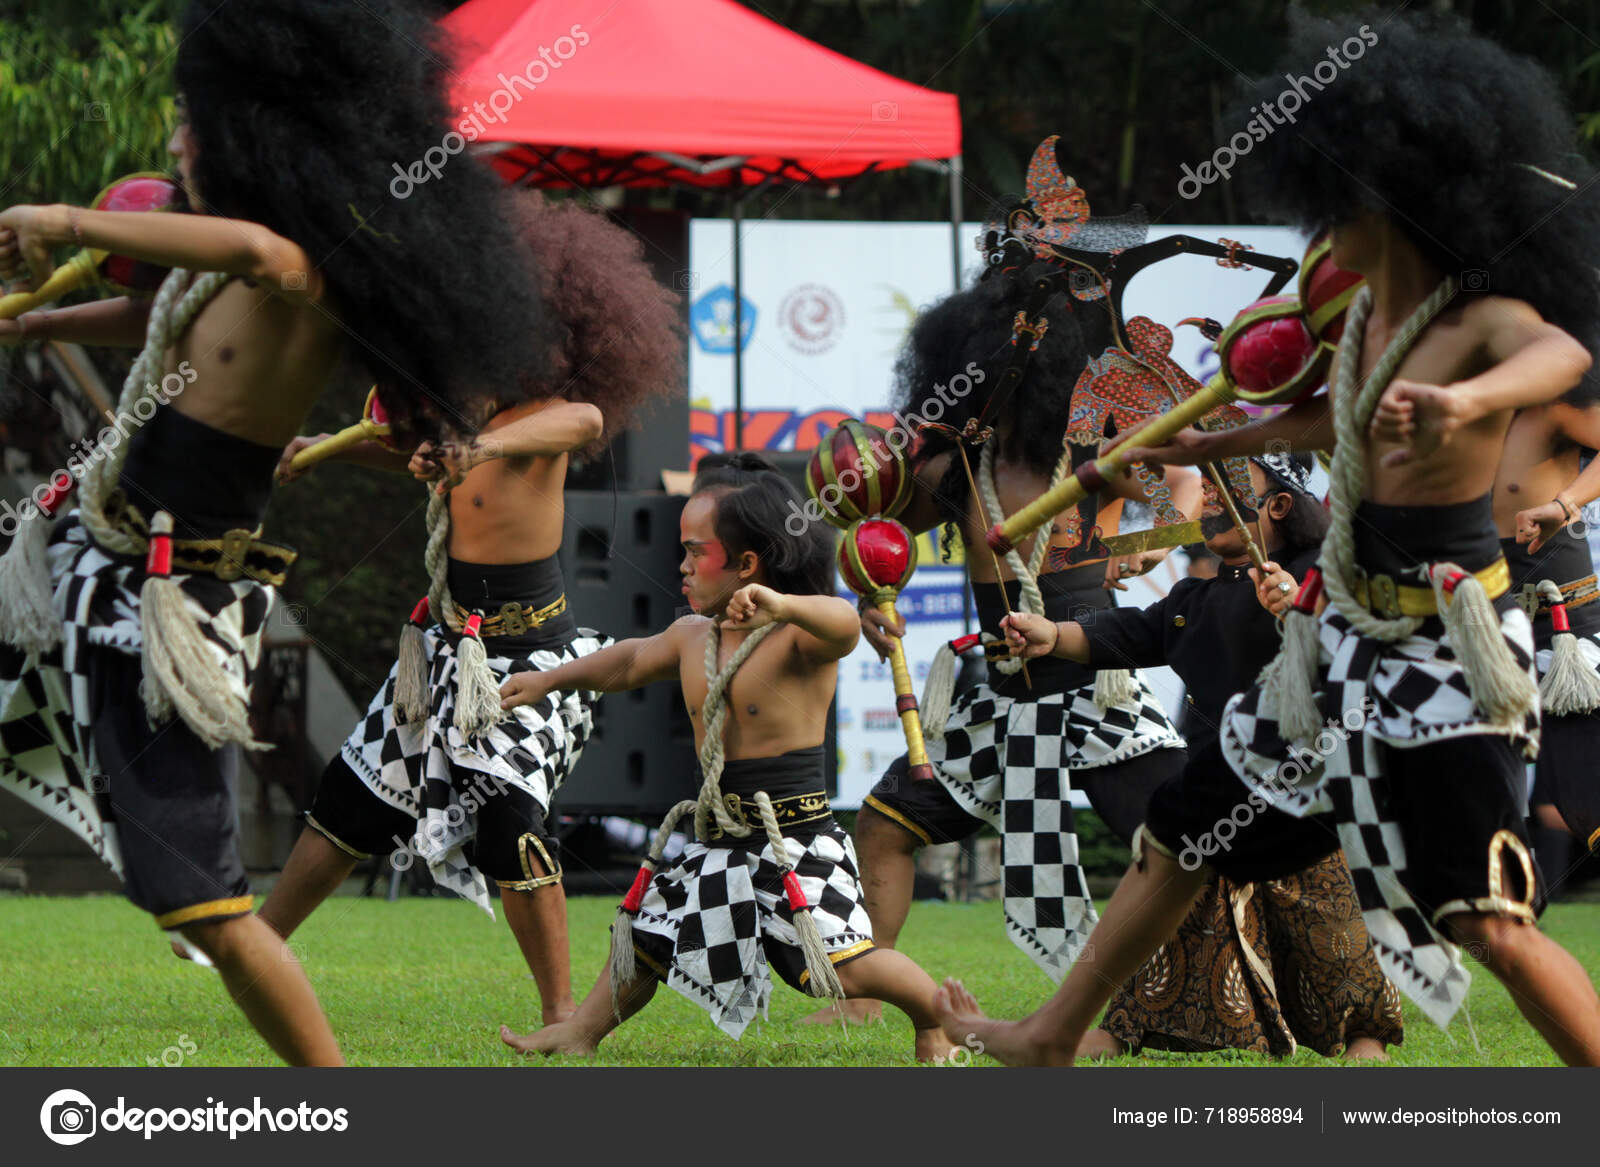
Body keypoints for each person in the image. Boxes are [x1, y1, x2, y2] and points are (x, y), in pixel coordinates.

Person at [932, 12, 1600, 1066]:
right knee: (1178, 840)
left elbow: (1557, 355)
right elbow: (1306, 420)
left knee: (1482, 917)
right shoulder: (1361, 324)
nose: (1325, 225)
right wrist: (1195, 438)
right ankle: (1052, 1037)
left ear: (1403, 200)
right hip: (1333, 649)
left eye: (1345, 202)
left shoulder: (1474, 318)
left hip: (1445, 651)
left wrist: (1464, 402)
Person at [0, 0, 548, 1065]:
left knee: (199, 907)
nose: (172, 142)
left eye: (189, 125)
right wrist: (34, 317)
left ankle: (334, 1094)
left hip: (167, 606)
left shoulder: (301, 265)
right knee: (192, 902)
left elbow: (253, 248)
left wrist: (69, 219)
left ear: (256, 132)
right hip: (95, 567)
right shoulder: (219, 277)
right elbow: (161, 315)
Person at [255, 193, 683, 1028]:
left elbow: (583, 420)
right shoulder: (453, 411)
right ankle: (256, 945)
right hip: (440, 648)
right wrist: (332, 452)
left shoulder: (545, 414)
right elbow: (443, 476)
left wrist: (474, 443)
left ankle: (563, 1013)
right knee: (352, 799)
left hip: (527, 661)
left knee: (509, 823)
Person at [804, 197, 1203, 1025]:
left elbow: (1185, 486)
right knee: (882, 827)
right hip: (997, 692)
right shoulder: (957, 462)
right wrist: (874, 601)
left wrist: (1151, 544)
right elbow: (881, 536)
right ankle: (868, 1003)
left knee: (1178, 840)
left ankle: (1186, 996)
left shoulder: (1097, 444)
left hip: (1093, 673)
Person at [498, 457, 957, 1061]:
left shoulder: (797, 636)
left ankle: (936, 1023)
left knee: (837, 969)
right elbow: (629, 661)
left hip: (794, 837)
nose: (682, 565)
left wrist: (783, 605)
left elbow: (844, 622)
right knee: (648, 936)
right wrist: (550, 680)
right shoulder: (693, 636)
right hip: (719, 835)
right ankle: (580, 1032)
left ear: (747, 565)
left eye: (695, 552)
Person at [1029, 456, 1400, 1060]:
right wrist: (1051, 635)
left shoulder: (1328, 576)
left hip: (1307, 776)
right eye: (1203, 491)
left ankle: (1363, 1034)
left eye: (1225, 490)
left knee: (1326, 919)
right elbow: (1130, 633)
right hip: (1219, 781)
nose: (1204, 503)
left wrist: (1302, 611)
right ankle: (1121, 1029)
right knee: (1181, 908)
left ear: (1278, 504)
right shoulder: (1193, 598)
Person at [1497, 404, 1600, 871]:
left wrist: (1564, 504)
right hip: (1467, 625)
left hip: (1565, 629)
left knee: (1582, 788)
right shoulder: (1429, 422)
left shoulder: (1554, 407)